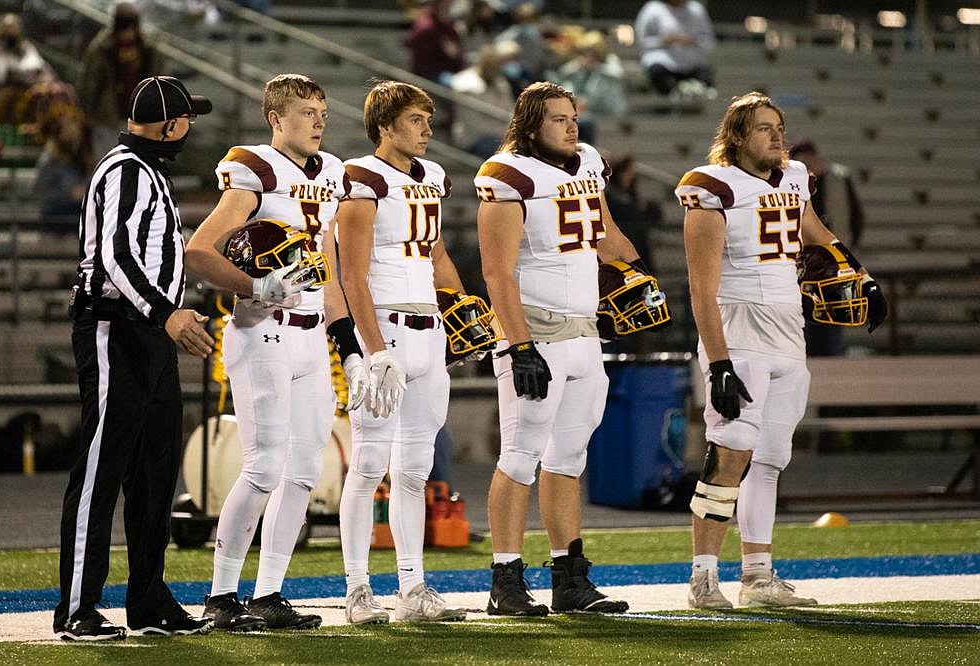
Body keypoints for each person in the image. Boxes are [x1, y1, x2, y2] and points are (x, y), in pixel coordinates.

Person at [676, 91, 887, 609]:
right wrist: (719, 361)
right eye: (764, 128)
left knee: (770, 459)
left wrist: (858, 271)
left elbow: (813, 231)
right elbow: (701, 289)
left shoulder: (793, 178)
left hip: (789, 331)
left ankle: (758, 576)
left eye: (779, 127)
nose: (777, 136)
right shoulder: (714, 188)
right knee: (729, 453)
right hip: (739, 329)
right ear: (737, 136)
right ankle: (703, 579)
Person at [184, 73, 367, 632]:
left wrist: (350, 344)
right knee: (264, 465)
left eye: (321, 112)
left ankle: (268, 594)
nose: (318, 121)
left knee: (305, 469)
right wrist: (255, 286)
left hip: (312, 333)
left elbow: (327, 267)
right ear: (275, 118)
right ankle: (220, 597)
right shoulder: (255, 169)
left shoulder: (333, 172)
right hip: (262, 328)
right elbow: (198, 252)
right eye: (306, 112)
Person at [474, 81, 648, 616]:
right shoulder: (508, 174)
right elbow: (496, 271)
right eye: (557, 119)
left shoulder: (588, 162)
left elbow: (604, 234)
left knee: (569, 459)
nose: (572, 126)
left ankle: (569, 578)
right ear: (530, 126)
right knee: (521, 455)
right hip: (538, 333)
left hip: (584, 333)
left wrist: (635, 271)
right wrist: (519, 344)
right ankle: (505, 580)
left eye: (573, 116)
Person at [55, 75, 215, 641]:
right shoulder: (126, 169)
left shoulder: (148, 172)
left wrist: (178, 309)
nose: (191, 127)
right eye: (187, 118)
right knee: (102, 468)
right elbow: (117, 255)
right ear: (170, 125)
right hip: (114, 328)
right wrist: (166, 314)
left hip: (147, 332)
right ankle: (77, 606)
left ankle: (147, 600)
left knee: (154, 473)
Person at [335, 80, 468, 625]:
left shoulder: (432, 177)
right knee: (369, 465)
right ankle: (358, 590)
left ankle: (413, 588)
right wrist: (372, 349)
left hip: (428, 330)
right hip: (385, 326)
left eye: (427, 119)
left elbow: (436, 255)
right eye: (416, 120)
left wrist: (461, 312)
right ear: (384, 126)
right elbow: (351, 275)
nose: (427, 129)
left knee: (416, 467)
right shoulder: (361, 178)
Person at [789, 138, 866, 357]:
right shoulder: (790, 182)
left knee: (834, 313)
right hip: (802, 259)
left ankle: (832, 361)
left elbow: (856, 215)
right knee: (805, 316)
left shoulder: (838, 177)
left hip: (834, 257)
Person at [77, 2, 163, 158]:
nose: (128, 31)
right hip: (108, 117)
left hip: (140, 118)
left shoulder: (147, 48)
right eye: (124, 25)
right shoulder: (102, 48)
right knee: (108, 161)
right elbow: (88, 84)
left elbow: (160, 79)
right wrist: (90, 114)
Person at [634, 0, 715, 100]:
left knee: (706, 76)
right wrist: (663, 40)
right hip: (663, 61)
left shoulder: (696, 9)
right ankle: (665, 104)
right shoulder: (652, 9)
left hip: (691, 63)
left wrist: (692, 40)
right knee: (657, 72)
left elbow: (708, 41)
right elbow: (641, 42)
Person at [0, 13, 53, 124]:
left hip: (28, 87)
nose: (11, 34)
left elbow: (39, 65)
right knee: (7, 93)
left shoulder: (26, 47)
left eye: (14, 30)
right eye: (8, 30)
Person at [33, 111, 93, 233]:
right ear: (59, 133)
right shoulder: (49, 160)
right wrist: (69, 194)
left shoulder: (81, 158)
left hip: (76, 209)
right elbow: (40, 192)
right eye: (70, 128)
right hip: (55, 211)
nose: (75, 132)